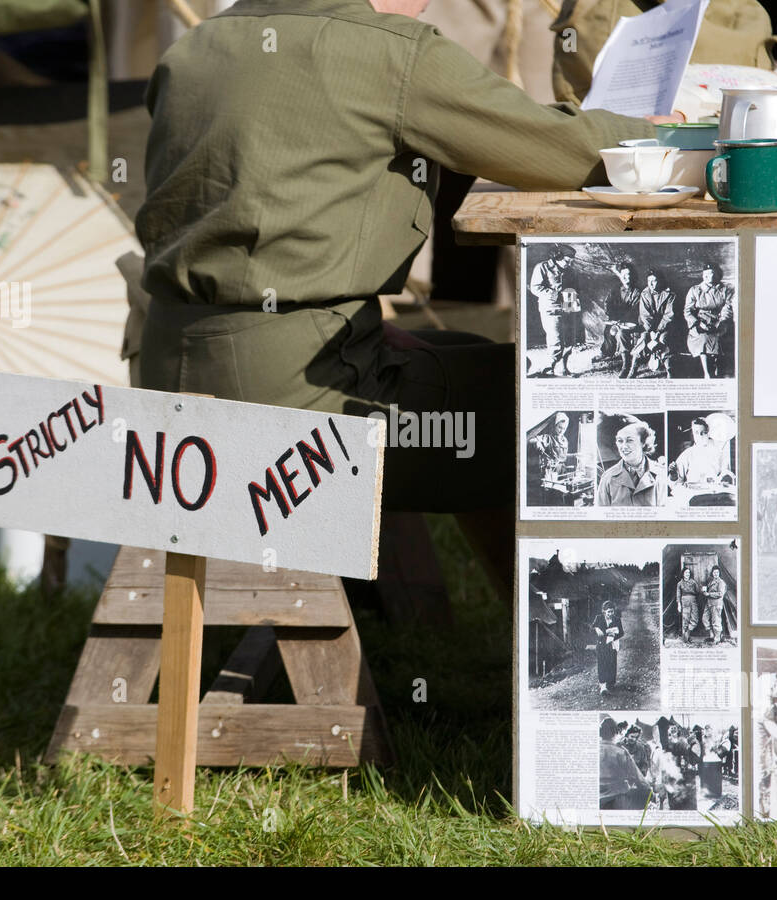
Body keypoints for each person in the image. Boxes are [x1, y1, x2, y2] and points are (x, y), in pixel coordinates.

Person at [136, 0, 678, 600]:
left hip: (168, 383)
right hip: (298, 409)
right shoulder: (393, 51)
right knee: (566, 410)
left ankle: (508, 617)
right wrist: (661, 129)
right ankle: (570, 626)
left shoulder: (194, 47)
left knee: (468, 355)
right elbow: (570, 153)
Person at [531, 245, 582, 376]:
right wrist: (555, 294)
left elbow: (574, 289)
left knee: (570, 340)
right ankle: (547, 369)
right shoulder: (542, 267)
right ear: (557, 257)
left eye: (572, 261)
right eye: (567, 261)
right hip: (551, 309)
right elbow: (535, 287)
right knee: (556, 342)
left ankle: (563, 368)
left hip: (568, 307)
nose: (569, 264)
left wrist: (573, 305)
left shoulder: (571, 271)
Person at [596, 419, 667, 507]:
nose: (624, 447)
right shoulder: (608, 477)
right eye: (620, 441)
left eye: (630, 440)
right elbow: (602, 513)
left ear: (644, 443)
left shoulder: (661, 474)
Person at [683, 263, 734, 379]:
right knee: (703, 338)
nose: (708, 277)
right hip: (700, 321)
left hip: (719, 320)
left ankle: (718, 367)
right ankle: (707, 373)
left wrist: (721, 321)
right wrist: (698, 323)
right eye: (705, 274)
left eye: (711, 274)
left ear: (717, 275)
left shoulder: (725, 289)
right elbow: (688, 311)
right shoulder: (695, 290)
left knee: (718, 336)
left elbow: (728, 307)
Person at [600, 717, 652, 810]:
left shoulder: (640, 748)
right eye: (632, 737)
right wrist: (649, 792)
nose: (634, 739)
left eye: (636, 737)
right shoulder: (620, 750)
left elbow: (644, 765)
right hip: (618, 797)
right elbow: (637, 776)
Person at [632, 270, 675, 377]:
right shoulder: (645, 294)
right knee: (643, 340)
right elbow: (645, 315)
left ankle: (670, 371)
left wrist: (659, 331)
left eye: (654, 281)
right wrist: (651, 331)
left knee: (663, 340)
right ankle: (632, 370)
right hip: (648, 327)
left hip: (665, 327)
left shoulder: (669, 294)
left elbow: (669, 315)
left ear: (660, 281)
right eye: (649, 281)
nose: (651, 284)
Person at [671, 417, 733, 486]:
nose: (700, 436)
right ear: (693, 434)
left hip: (714, 492)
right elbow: (677, 482)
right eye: (696, 433)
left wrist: (725, 477)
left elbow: (726, 472)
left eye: (703, 432)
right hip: (693, 493)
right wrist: (674, 476)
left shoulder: (718, 453)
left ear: (708, 433)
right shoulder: (687, 454)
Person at [591, 600, 623, 695]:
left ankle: (610, 683)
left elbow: (621, 632)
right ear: (604, 611)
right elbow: (591, 628)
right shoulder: (599, 618)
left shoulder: (617, 619)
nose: (610, 614)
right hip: (601, 645)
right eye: (608, 611)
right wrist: (596, 629)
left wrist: (614, 636)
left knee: (611, 664)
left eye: (612, 611)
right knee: (602, 664)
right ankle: (603, 686)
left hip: (612, 645)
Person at [530, 412, 571, 478]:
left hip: (563, 470)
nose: (561, 431)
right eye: (560, 427)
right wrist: (537, 442)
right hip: (552, 470)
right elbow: (530, 440)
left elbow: (563, 456)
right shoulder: (548, 437)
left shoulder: (565, 440)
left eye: (564, 429)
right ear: (555, 425)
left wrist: (575, 455)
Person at [702, 565, 728, 644]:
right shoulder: (711, 581)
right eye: (714, 572)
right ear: (712, 573)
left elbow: (720, 594)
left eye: (717, 572)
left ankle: (717, 639)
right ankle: (712, 635)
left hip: (716, 604)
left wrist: (709, 594)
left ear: (719, 573)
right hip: (709, 603)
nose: (715, 574)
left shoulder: (721, 582)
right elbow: (706, 590)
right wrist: (704, 592)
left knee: (716, 621)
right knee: (704, 619)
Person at [675, 566, 700, 643]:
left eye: (689, 572)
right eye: (686, 572)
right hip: (684, 601)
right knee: (685, 619)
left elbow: (698, 591)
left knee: (695, 618)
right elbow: (678, 595)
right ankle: (685, 637)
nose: (687, 574)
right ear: (683, 574)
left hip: (693, 600)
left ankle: (687, 634)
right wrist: (679, 605)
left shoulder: (693, 582)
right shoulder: (679, 583)